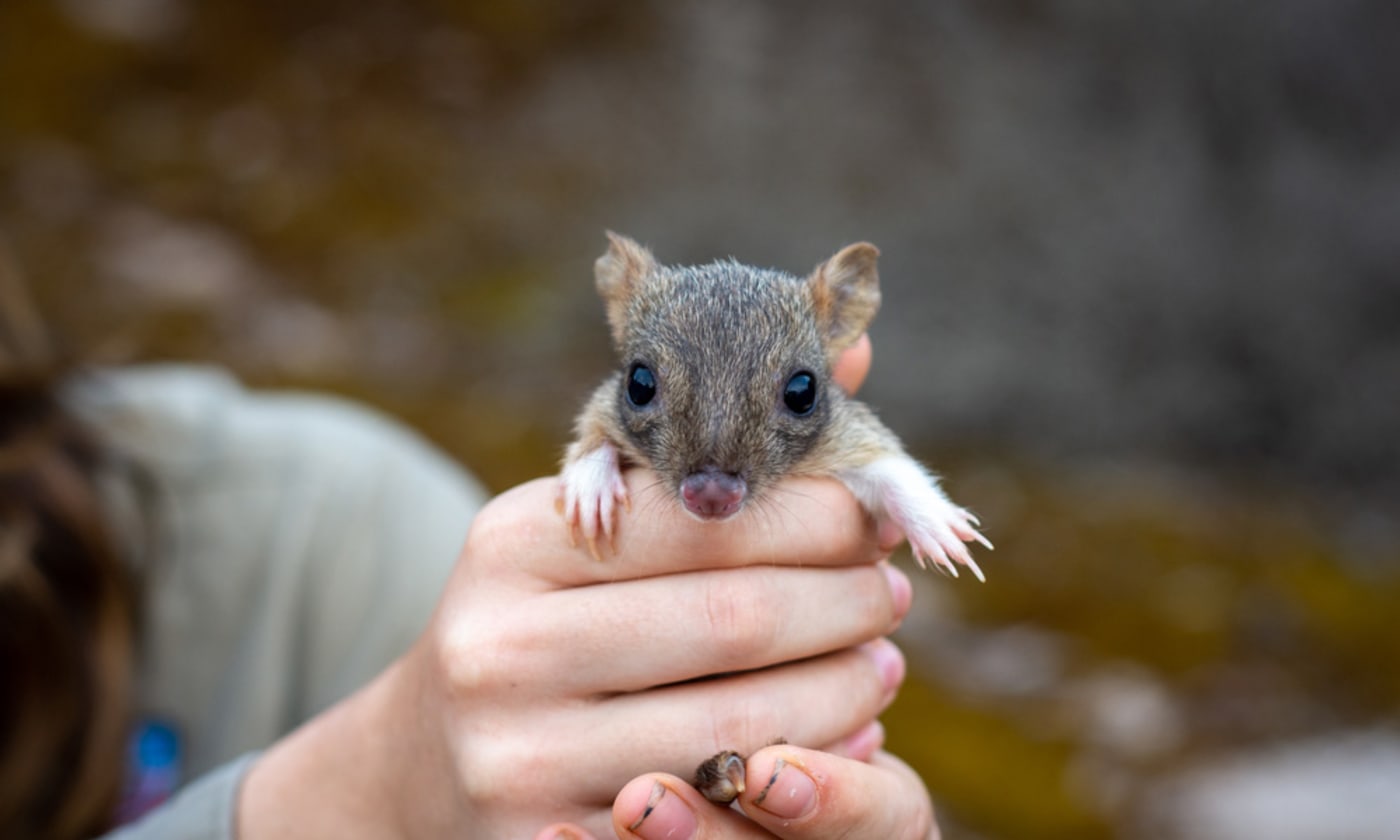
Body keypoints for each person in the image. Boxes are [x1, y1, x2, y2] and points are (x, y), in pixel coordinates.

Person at [0, 268, 937, 838]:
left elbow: (877, 464)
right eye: (651, 386)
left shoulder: (330, 525)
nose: (714, 486)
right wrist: (352, 809)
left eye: (797, 397)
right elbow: (601, 432)